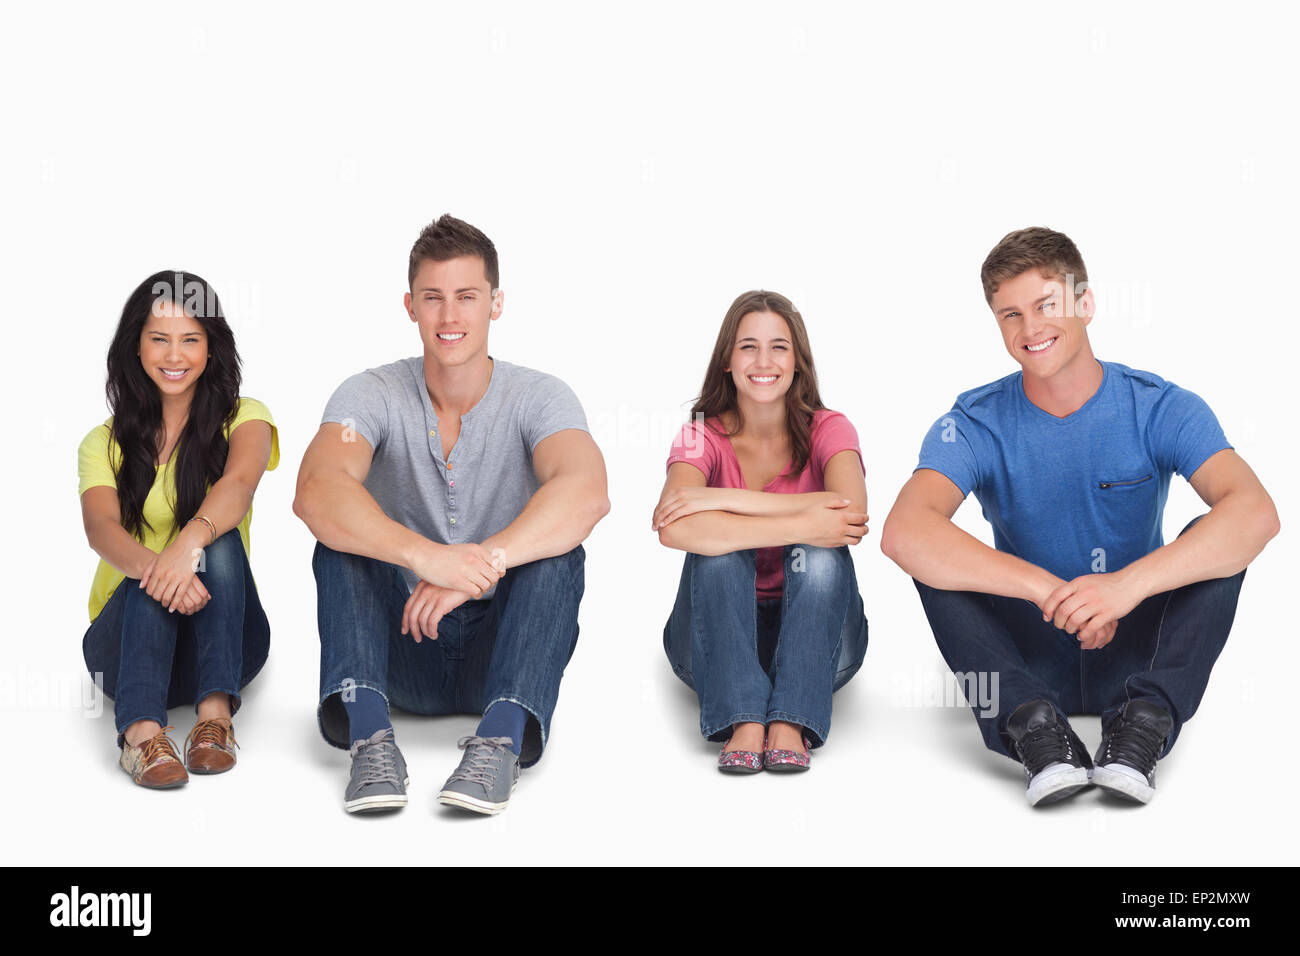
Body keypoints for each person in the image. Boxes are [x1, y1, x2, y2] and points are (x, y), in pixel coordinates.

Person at [880, 227, 1280, 806]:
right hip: (1028, 656)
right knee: (935, 556)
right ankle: (1033, 727)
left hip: (1138, 645)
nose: (1029, 329)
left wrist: (1122, 589)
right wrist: (1050, 593)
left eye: (1047, 305)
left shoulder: (1161, 406)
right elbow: (903, 532)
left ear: (1085, 304)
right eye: (1009, 315)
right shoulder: (972, 421)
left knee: (1219, 538)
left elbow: (1257, 514)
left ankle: (1143, 722)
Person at [294, 214, 609, 816]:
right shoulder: (370, 393)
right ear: (410, 306)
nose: (450, 316)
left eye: (467, 297)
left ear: (494, 304)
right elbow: (317, 489)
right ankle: (369, 736)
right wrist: (428, 558)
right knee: (338, 539)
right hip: (402, 644)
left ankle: (502, 737)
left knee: (560, 550)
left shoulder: (541, 395)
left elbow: (587, 490)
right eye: (433, 299)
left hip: (505, 646)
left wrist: (480, 567)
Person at [654, 290, 869, 774]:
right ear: (728, 361)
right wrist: (807, 518)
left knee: (820, 555)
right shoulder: (698, 432)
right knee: (719, 553)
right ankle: (743, 716)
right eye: (748, 346)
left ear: (798, 362)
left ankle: (792, 718)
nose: (764, 361)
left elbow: (852, 515)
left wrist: (722, 498)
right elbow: (671, 526)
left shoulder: (831, 428)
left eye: (779, 347)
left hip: (818, 644)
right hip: (714, 639)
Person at [79, 270, 278, 789]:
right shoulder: (102, 442)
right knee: (151, 571)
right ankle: (142, 733)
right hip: (122, 648)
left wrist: (189, 542)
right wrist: (161, 566)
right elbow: (100, 528)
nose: (175, 355)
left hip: (225, 642)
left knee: (218, 537)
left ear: (211, 348)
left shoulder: (246, 418)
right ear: (136, 346)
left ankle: (215, 716)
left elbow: (238, 485)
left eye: (191, 339)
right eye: (159, 338)